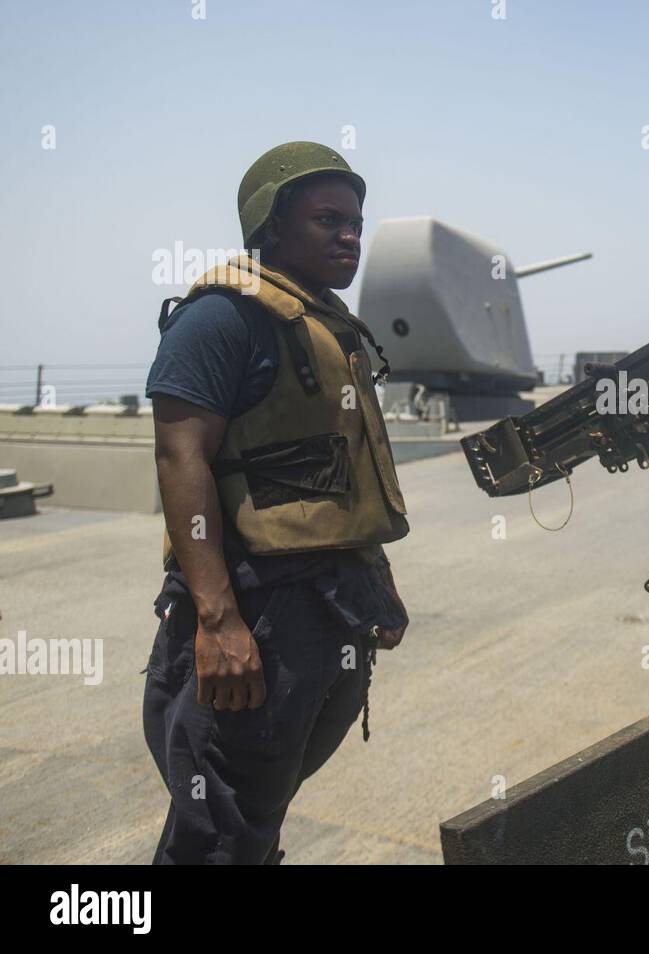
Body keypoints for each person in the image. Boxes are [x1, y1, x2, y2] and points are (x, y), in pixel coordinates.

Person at [142, 142, 410, 865]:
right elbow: (180, 456)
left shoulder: (322, 323)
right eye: (328, 219)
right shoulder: (222, 320)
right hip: (254, 620)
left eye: (355, 221)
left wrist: (375, 591)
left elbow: (338, 481)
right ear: (271, 226)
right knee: (221, 832)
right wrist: (218, 620)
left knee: (254, 816)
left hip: (325, 613)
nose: (349, 235)